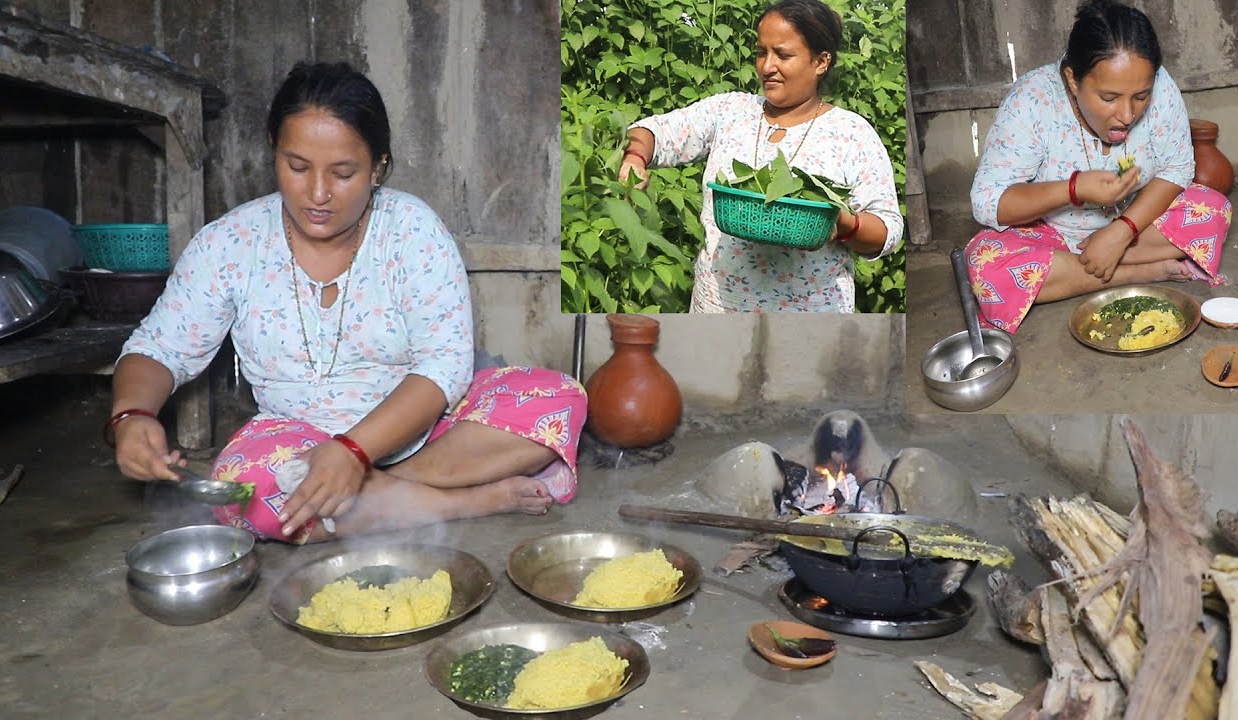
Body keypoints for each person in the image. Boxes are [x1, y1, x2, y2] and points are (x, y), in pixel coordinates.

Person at [106, 61, 587, 543]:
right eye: (297, 167)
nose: (317, 193)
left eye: (343, 173)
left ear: (377, 166)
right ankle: (465, 500)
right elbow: (158, 348)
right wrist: (132, 415)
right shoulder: (229, 244)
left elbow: (443, 367)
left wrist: (354, 454)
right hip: (293, 446)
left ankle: (371, 493)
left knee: (557, 399)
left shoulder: (411, 231)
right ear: (274, 152)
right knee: (244, 490)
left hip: (424, 436)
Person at [616, 0, 903, 313]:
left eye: (783, 54)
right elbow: (653, 132)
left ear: (821, 62)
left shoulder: (850, 133)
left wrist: (843, 223)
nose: (767, 66)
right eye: (761, 52)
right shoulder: (730, 111)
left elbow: (887, 229)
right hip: (717, 308)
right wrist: (635, 158)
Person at [965, 0, 1231, 333]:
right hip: (1052, 234)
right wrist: (1073, 189)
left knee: (1213, 209)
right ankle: (1136, 273)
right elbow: (989, 203)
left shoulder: (1161, 87)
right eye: (1109, 97)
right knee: (986, 266)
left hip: (1137, 228)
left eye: (1140, 96)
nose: (1128, 114)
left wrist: (1122, 232)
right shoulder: (1031, 102)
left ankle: (1078, 270)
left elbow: (1177, 169)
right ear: (1073, 81)